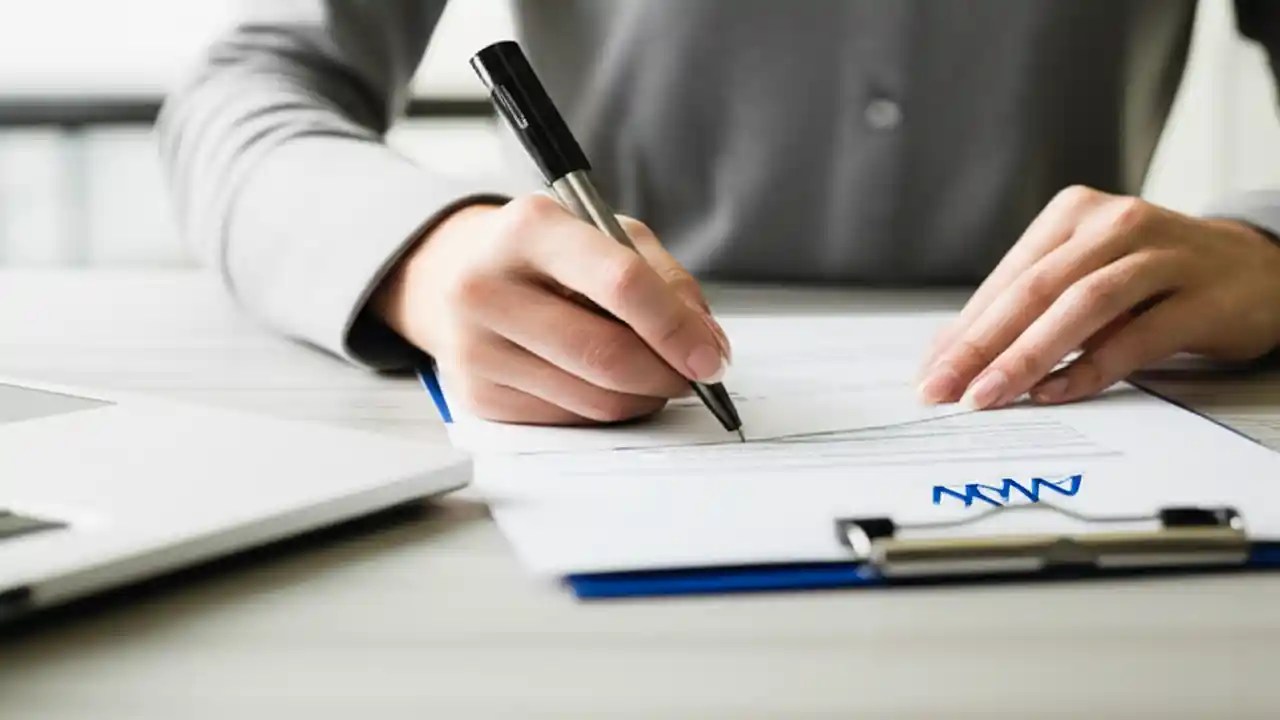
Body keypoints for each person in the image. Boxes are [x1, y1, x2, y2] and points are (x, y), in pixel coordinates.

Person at [159, 1, 1280, 425]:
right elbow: (246, 86)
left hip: (1086, 402)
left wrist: (1261, 247)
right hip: (608, 408)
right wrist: (418, 252)